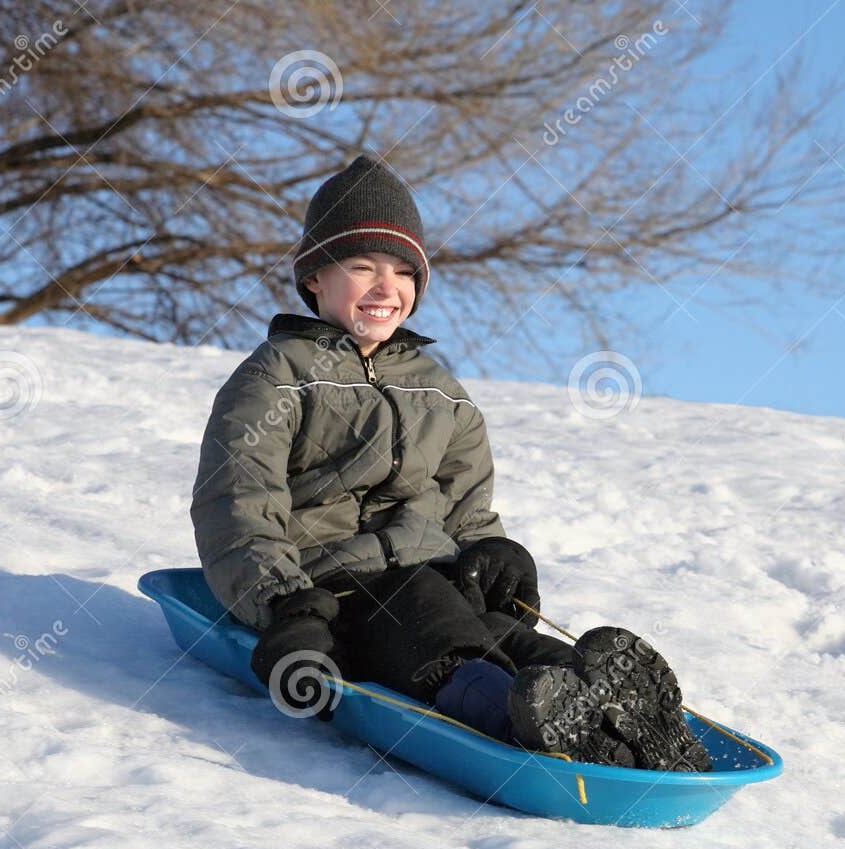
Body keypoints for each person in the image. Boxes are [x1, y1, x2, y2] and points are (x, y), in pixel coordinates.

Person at [190, 154, 709, 772]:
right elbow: (238, 505)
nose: (387, 289)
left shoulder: (439, 389)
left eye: (404, 272)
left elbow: (466, 509)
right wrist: (289, 608)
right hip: (331, 591)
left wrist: (491, 553)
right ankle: (522, 723)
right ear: (314, 279)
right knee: (434, 631)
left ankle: (616, 716)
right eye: (362, 267)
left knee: (503, 635)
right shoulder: (274, 377)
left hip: (433, 575)